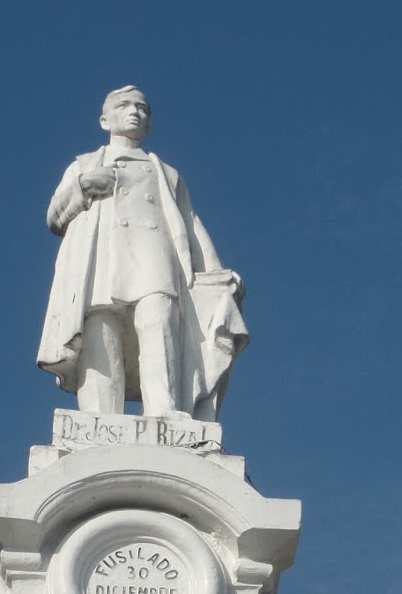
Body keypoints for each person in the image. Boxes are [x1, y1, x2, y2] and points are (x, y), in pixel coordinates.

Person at [37, 86, 248, 421]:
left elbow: (191, 226)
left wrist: (213, 271)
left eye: (142, 108)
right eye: (124, 106)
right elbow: (54, 216)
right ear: (105, 120)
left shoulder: (166, 172)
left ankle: (164, 409)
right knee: (100, 330)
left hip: (154, 256)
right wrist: (84, 186)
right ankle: (100, 416)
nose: (135, 112)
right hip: (101, 256)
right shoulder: (83, 165)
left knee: (159, 321)